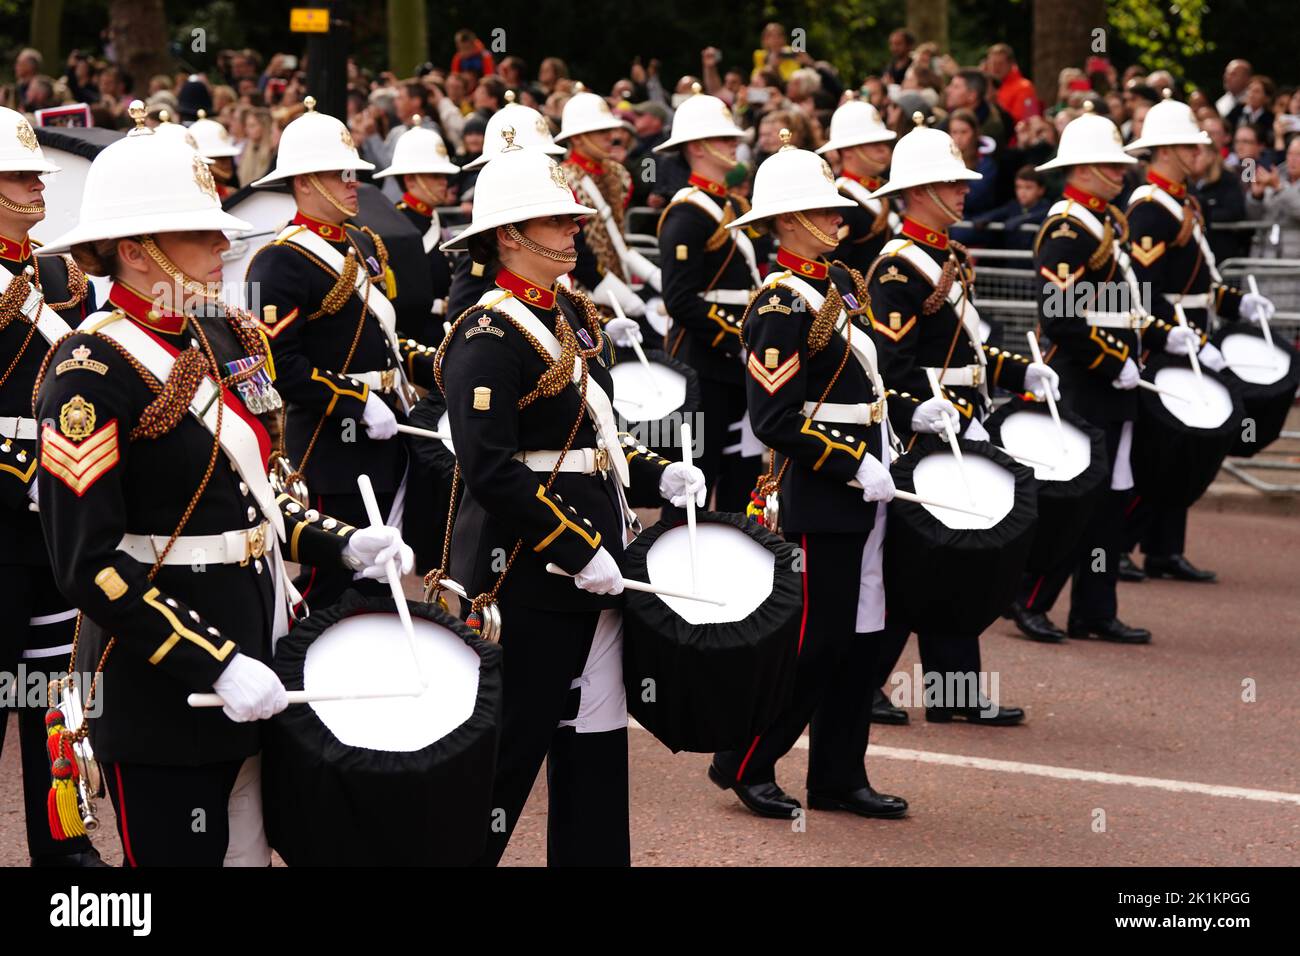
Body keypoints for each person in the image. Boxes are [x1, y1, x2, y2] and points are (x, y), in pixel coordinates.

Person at [32, 104, 410, 866]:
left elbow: (264, 495)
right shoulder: (88, 372)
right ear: (136, 251)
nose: (222, 243)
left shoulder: (227, 335)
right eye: (197, 232)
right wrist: (213, 660)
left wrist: (344, 542)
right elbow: (89, 563)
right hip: (164, 681)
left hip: (261, 640)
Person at [434, 131, 703, 864]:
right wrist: (577, 548)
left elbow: (598, 433)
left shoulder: (571, 315)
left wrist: (653, 476)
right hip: (530, 569)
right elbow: (491, 469)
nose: (574, 227)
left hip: (598, 560)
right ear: (510, 236)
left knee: (594, 740)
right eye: (557, 221)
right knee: (508, 752)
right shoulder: (486, 333)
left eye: (573, 218)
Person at [708, 131, 944, 819]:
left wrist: (911, 410)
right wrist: (850, 462)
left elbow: (862, 387)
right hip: (818, 492)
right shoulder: (780, 305)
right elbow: (775, 419)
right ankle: (746, 760)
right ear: (787, 222)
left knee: (862, 642)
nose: (841, 219)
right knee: (814, 645)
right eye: (825, 211)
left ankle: (838, 775)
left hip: (868, 486)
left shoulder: (839, 283)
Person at [864, 114, 1058, 724]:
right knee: (913, 564)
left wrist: (1015, 372)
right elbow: (889, 366)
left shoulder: (943, 255)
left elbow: (966, 350)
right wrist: (922, 411)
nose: (964, 190)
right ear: (918, 192)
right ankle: (864, 682)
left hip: (963, 421)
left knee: (956, 561)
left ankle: (954, 693)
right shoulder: (897, 268)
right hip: (926, 429)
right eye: (950, 183)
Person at [1010, 105, 1179, 644]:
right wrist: (1114, 360)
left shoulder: (1103, 222)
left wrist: (1156, 336)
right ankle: (1030, 598)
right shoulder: (1067, 228)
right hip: (1084, 380)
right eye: (1109, 163)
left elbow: (1115, 305)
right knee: (1077, 501)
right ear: (1081, 170)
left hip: (1113, 382)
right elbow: (1061, 314)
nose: (1121, 171)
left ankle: (1095, 608)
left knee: (1106, 503)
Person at [245, 97, 418, 613]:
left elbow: (385, 338)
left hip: (392, 432)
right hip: (331, 445)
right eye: (338, 173)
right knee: (331, 586)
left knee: (382, 581)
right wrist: (355, 401)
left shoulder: (362, 244)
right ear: (302, 182)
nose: (352, 182)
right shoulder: (275, 262)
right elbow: (278, 365)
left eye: (352, 172)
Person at [0, 106, 104, 867]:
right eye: (20, 175)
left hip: (59, 515)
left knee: (55, 695)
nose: (38, 186)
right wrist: (21, 476)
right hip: (3, 515)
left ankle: (62, 842)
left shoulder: (63, 274)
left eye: (37, 174)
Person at [1122, 94, 1275, 583]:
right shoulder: (1149, 207)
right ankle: (1122, 545)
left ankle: (1166, 548)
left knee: (1186, 448)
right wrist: (1183, 335)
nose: (1198, 154)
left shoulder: (1179, 201)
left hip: (1191, 335)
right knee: (1161, 448)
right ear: (1164, 151)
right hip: (1167, 342)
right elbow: (1147, 291)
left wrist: (1235, 303)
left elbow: (1200, 283)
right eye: (1189, 146)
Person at [654, 84, 766, 514]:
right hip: (704, 365)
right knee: (694, 481)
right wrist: (739, 339)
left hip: (737, 365)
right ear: (698, 147)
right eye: (724, 139)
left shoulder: (733, 206)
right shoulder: (685, 213)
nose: (734, 145)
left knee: (741, 476)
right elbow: (680, 299)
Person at [554, 84, 661, 323]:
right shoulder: (564, 179)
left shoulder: (618, 174)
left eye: (608, 129)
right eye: (599, 131)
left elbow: (618, 238)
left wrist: (652, 276)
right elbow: (576, 251)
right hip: (584, 289)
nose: (609, 137)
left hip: (619, 277)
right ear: (578, 137)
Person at [373, 121, 460, 349]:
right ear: (410, 179)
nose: (444, 182)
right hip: (417, 336)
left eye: (444, 175)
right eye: (435, 175)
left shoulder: (436, 220)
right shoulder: (397, 225)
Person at [818, 95, 900, 274]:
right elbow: (837, 265)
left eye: (882, 142)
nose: (883, 149)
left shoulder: (882, 190)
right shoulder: (841, 200)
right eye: (872, 143)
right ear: (847, 150)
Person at [188, 109, 241, 198]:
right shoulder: (196, 196)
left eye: (228, 157)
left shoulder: (232, 193)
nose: (227, 163)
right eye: (218, 158)